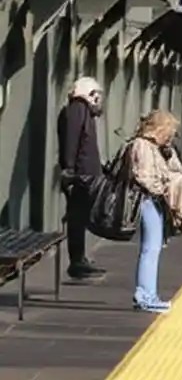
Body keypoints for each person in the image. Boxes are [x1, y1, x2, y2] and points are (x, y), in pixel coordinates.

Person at [126, 109, 182, 313]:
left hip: (155, 201)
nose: (171, 135)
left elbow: (177, 170)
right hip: (148, 200)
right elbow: (143, 176)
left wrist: (169, 155)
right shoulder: (142, 146)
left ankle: (147, 294)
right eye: (170, 130)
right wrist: (163, 190)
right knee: (150, 249)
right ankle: (145, 296)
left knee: (154, 247)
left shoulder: (158, 148)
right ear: (161, 129)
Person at [57, 77, 106, 280]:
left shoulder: (81, 111)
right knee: (77, 216)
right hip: (81, 176)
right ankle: (76, 261)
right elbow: (73, 141)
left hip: (84, 173)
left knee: (81, 215)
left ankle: (80, 258)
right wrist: (70, 170)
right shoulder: (78, 110)